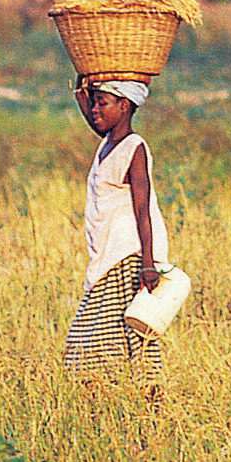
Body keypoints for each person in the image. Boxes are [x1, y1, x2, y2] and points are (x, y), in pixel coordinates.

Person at [63, 77, 169, 383]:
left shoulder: (134, 149)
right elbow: (94, 118)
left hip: (126, 257)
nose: (95, 110)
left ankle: (147, 397)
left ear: (124, 106)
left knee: (115, 341)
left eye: (102, 103)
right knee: (118, 340)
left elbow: (143, 209)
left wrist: (147, 264)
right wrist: (82, 88)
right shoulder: (108, 142)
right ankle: (124, 395)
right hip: (106, 255)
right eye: (94, 103)